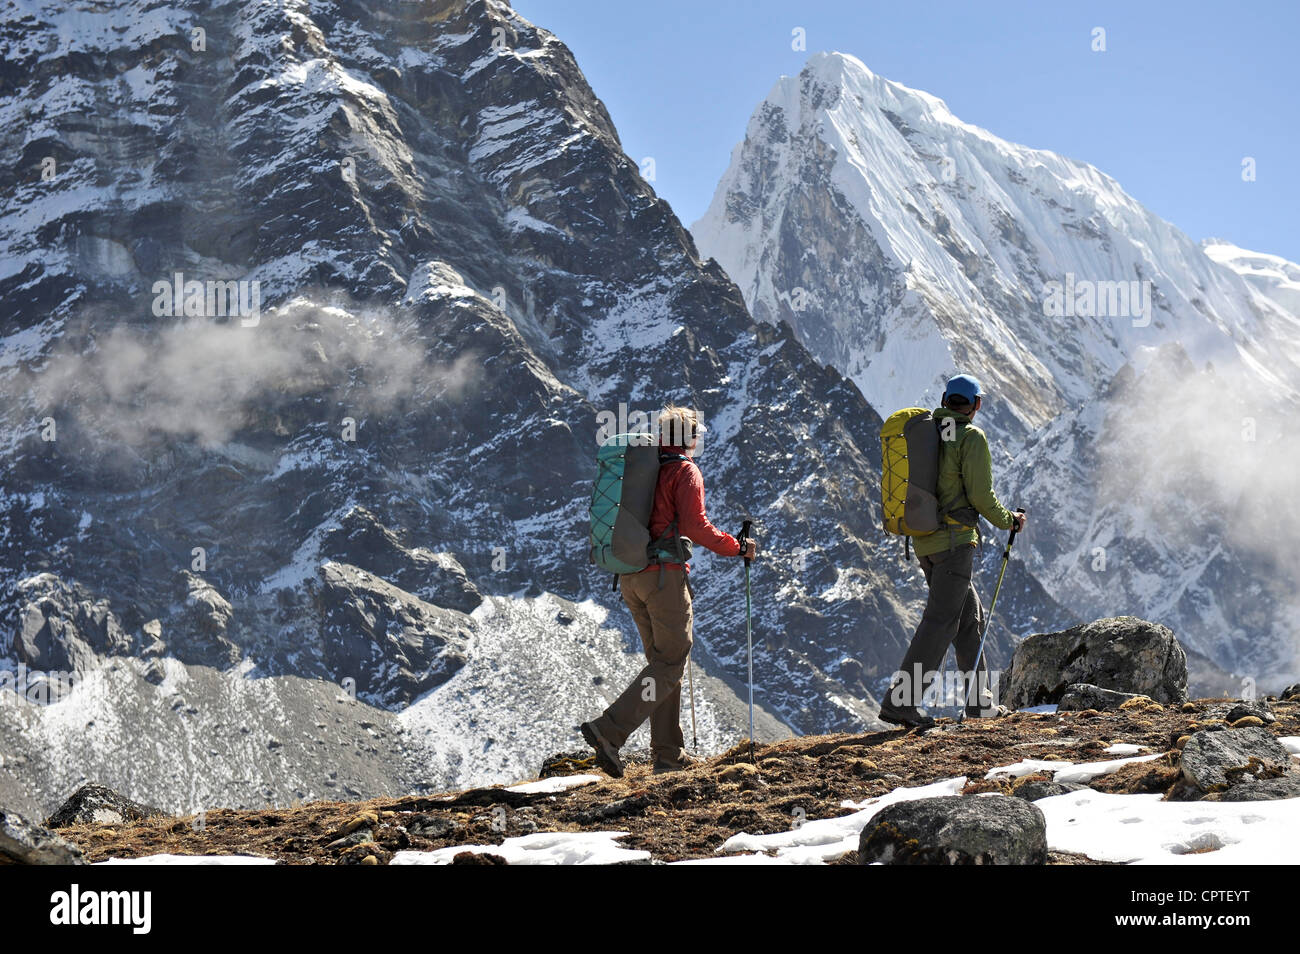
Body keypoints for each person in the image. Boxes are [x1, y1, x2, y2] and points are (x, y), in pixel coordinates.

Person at [581, 403, 758, 777]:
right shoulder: (683, 471)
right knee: (670, 662)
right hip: (663, 578)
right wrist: (736, 547)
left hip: (631, 577)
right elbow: (696, 525)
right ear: (691, 439)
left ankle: (666, 755)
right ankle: (609, 731)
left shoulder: (642, 469)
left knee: (663, 666)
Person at [880, 374, 1027, 728]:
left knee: (967, 620)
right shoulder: (970, 437)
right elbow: (980, 496)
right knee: (940, 623)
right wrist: (1009, 520)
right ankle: (900, 703)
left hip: (926, 542)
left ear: (946, 399)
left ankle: (979, 704)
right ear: (976, 405)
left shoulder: (931, 432)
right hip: (954, 543)